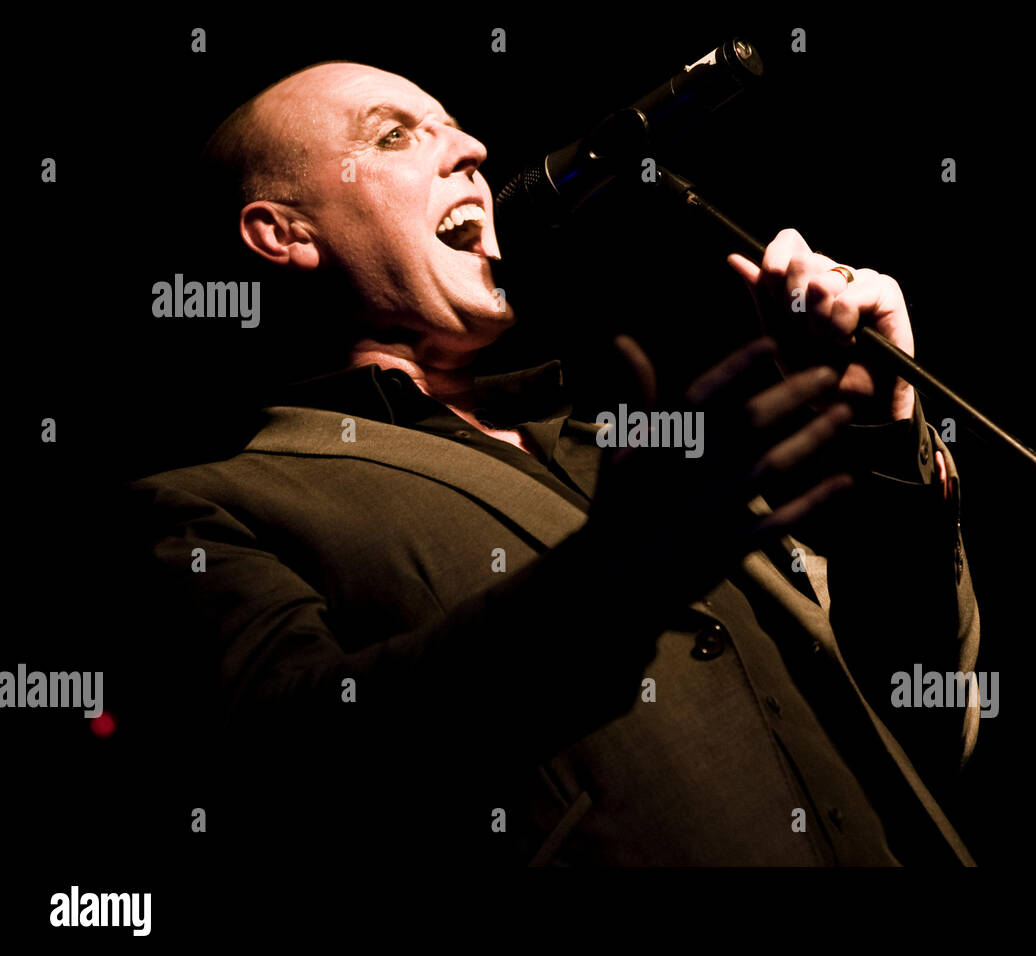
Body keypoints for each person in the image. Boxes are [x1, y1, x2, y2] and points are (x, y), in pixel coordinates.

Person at [128, 61, 981, 866]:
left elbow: (922, 719)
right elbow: (307, 763)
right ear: (282, 233)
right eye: (394, 136)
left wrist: (882, 439)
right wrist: (608, 580)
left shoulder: (620, 439)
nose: (473, 151)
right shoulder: (211, 505)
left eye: (457, 129)